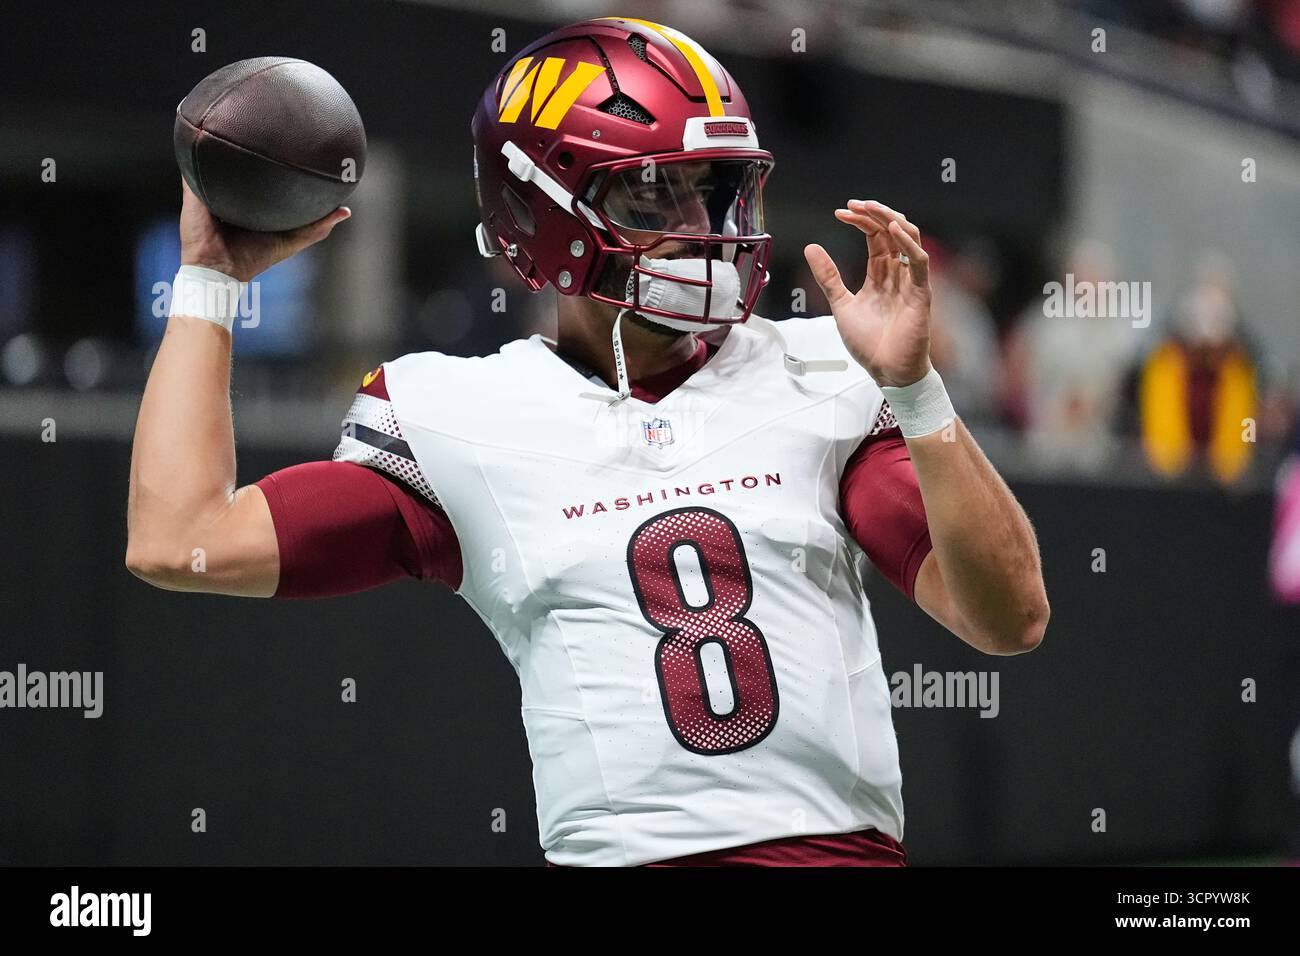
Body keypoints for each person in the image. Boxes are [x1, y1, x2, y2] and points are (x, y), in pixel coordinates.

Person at [126, 17, 1048, 867]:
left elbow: (1008, 619)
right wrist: (209, 280)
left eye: (712, 191)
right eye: (653, 194)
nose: (698, 229)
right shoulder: (460, 414)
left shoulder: (824, 374)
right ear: (543, 216)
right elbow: (177, 539)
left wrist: (917, 392)